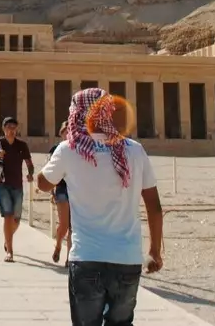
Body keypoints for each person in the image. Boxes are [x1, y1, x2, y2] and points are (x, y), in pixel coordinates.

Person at [38, 88, 163, 326]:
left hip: (87, 257)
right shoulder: (134, 149)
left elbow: (43, 183)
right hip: (127, 258)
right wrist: (155, 250)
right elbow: (154, 206)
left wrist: (57, 164)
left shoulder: (69, 149)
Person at [0, 115, 34, 262]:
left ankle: (7, 239)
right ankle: (10, 252)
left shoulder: (21, 145)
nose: (11, 131)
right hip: (2, 184)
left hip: (18, 184)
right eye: (9, 128)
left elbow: (29, 163)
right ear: (3, 129)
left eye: (14, 128)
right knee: (8, 216)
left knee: (17, 219)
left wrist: (30, 174)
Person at [49, 121, 72, 264]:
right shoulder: (56, 149)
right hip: (62, 189)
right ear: (61, 133)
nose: (68, 133)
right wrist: (52, 191)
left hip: (76, 190)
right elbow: (49, 171)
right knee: (64, 225)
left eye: (70, 130)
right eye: (65, 130)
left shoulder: (79, 149)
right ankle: (58, 245)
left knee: (73, 227)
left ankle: (70, 258)